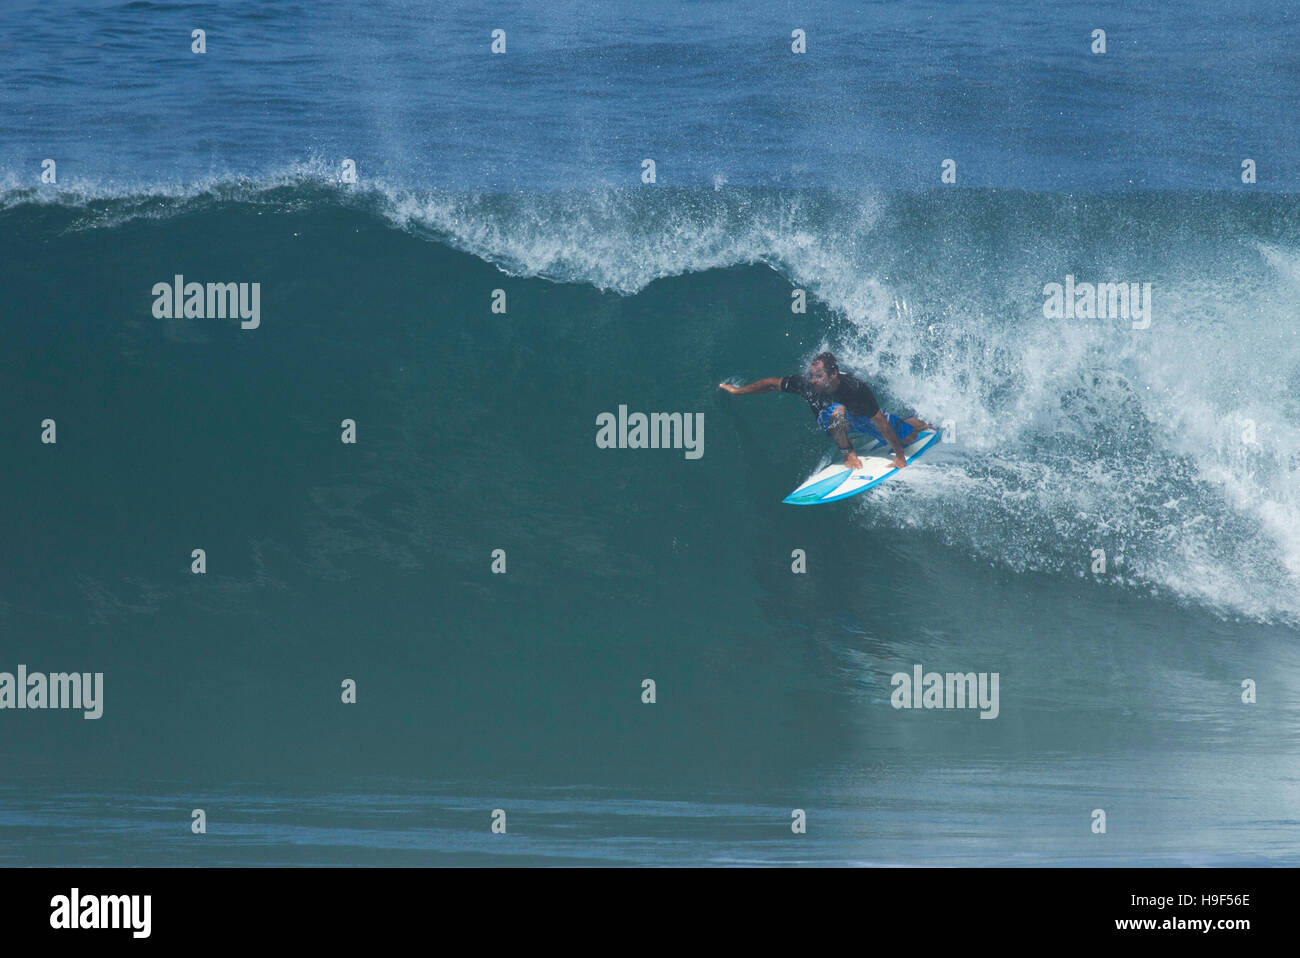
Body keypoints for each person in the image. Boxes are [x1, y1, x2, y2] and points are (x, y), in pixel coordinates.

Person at [719, 352, 935, 471]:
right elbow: (770, 383)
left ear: (833, 375)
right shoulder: (806, 383)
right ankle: (847, 453)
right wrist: (738, 391)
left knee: (908, 436)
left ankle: (922, 423)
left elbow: (879, 420)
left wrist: (899, 456)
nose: (813, 380)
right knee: (836, 412)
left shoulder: (855, 388)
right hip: (831, 419)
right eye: (812, 375)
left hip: (860, 416)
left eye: (818, 376)